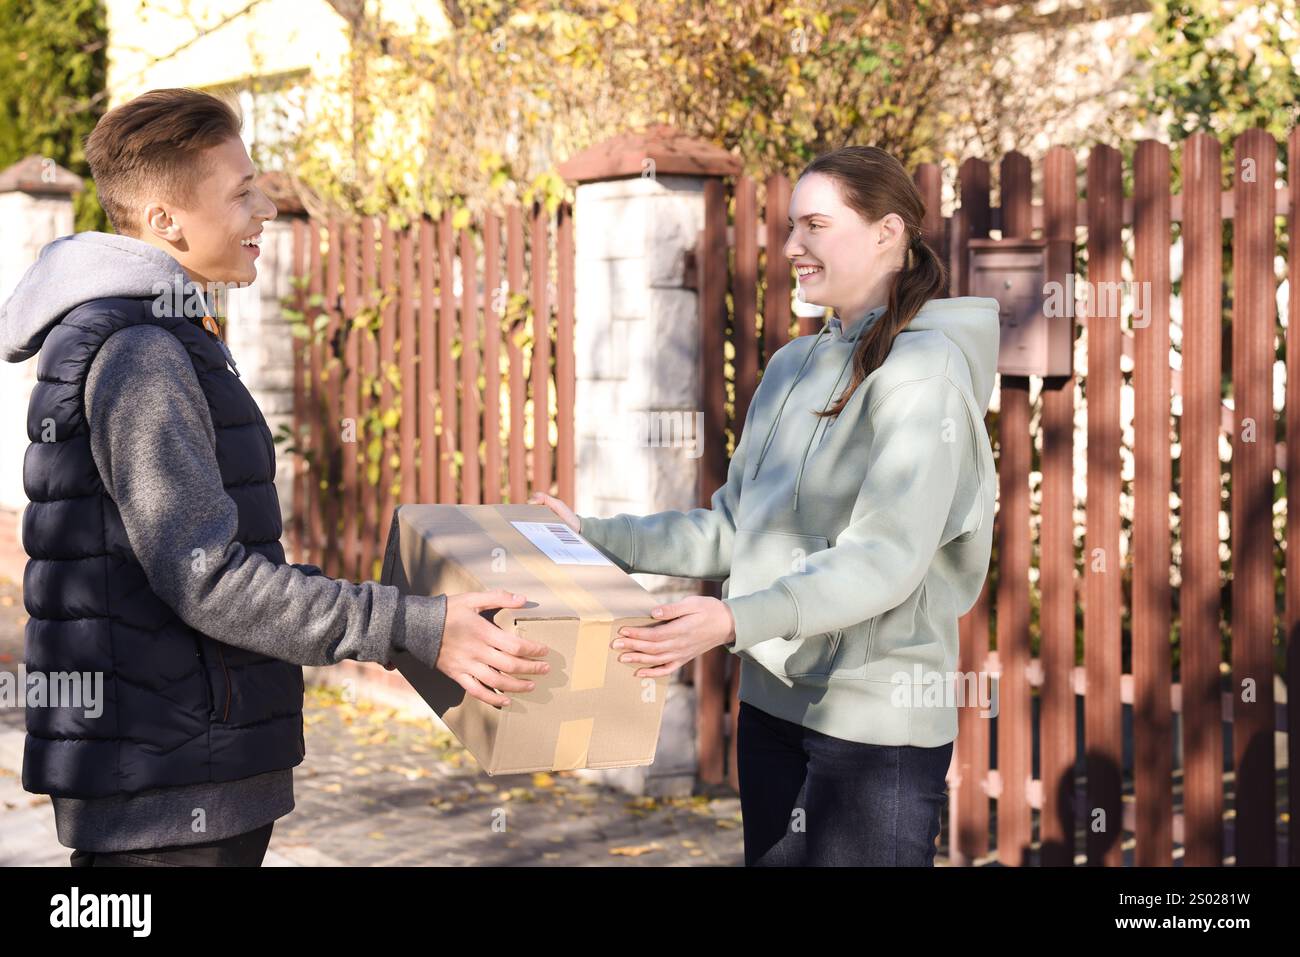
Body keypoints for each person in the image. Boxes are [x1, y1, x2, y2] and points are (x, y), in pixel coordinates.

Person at [0, 88, 549, 866]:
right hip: (169, 785)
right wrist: (415, 628)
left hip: (167, 768)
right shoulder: (143, 350)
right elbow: (208, 578)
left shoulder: (156, 329)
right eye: (241, 192)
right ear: (166, 221)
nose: (264, 208)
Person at [531, 145, 999, 866]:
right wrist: (591, 535)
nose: (792, 247)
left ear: (888, 231)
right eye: (789, 226)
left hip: (873, 731)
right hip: (772, 709)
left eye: (815, 224)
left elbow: (885, 560)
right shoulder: (792, 366)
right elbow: (730, 530)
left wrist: (733, 618)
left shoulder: (926, 376)